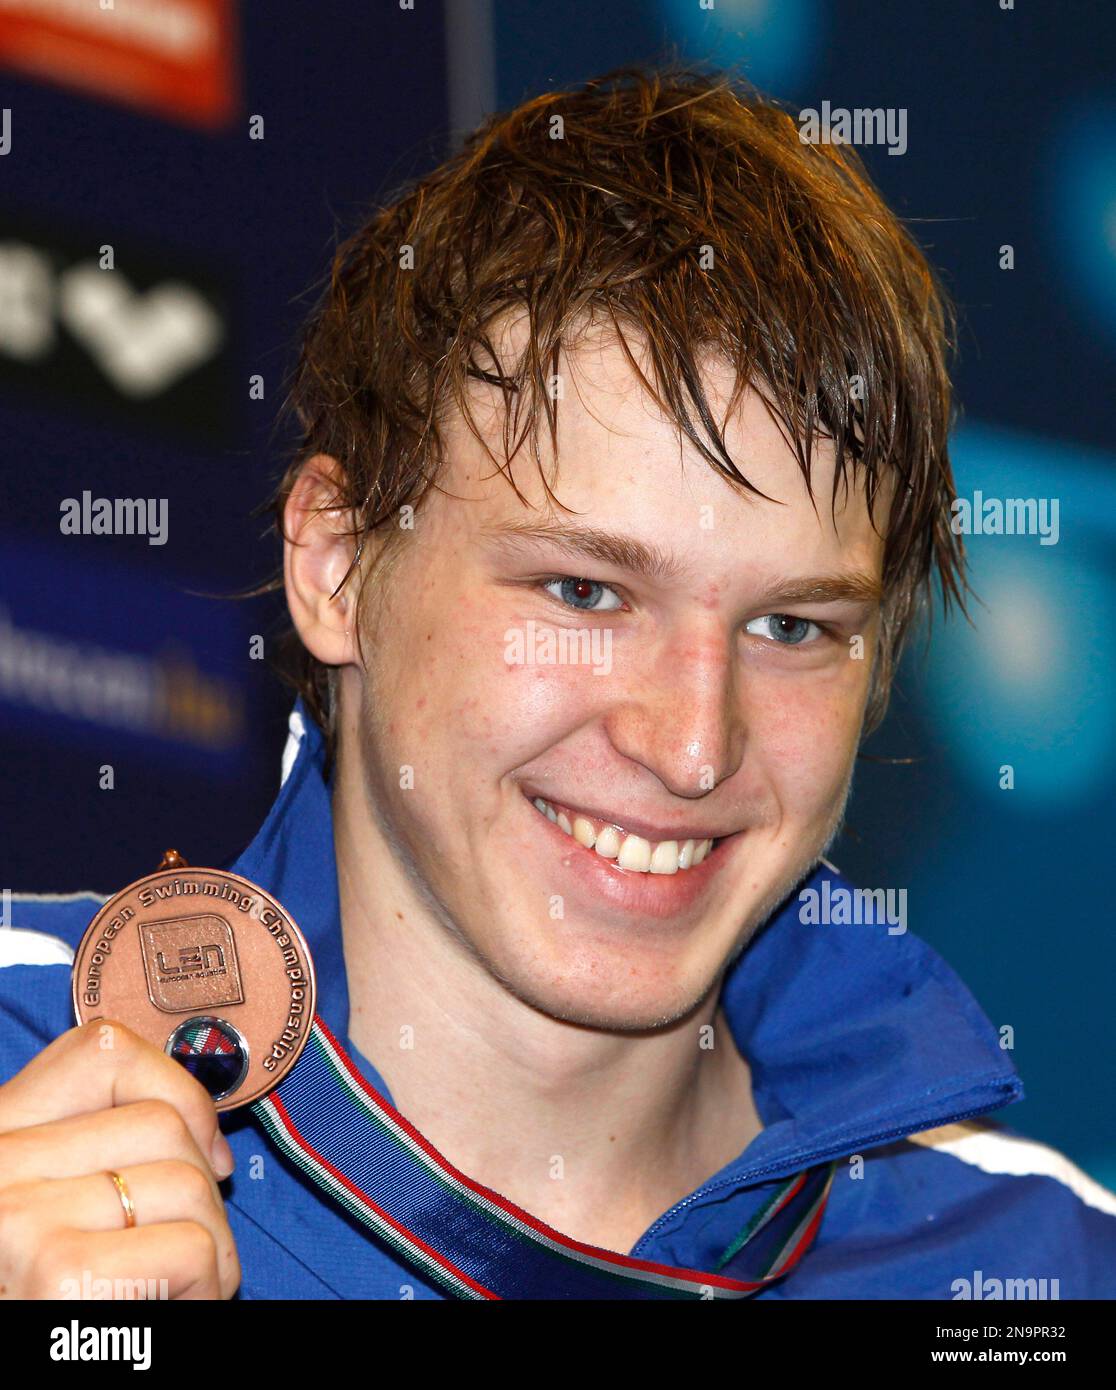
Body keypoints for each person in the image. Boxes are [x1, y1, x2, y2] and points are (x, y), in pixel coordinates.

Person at [1, 66, 1113, 1301]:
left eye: (792, 625)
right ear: (336, 565)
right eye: (585, 593)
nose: (693, 744)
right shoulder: (19, 1101)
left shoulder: (1035, 1271)